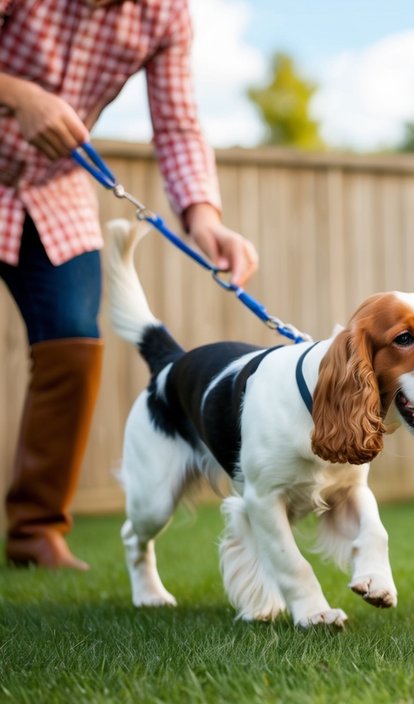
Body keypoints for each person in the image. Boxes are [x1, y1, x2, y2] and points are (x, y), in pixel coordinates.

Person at [0, 0, 258, 570]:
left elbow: (177, 123)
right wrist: (18, 94)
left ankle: (34, 532)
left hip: (51, 188)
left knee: (72, 343)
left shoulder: (163, 14)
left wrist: (204, 217)